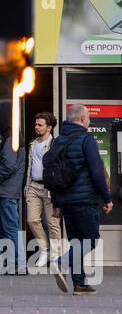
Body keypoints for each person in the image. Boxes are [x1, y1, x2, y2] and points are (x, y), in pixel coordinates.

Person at [48, 103, 113, 296]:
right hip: (84, 201)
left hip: (66, 202)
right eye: (89, 118)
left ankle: (79, 284)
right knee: (91, 240)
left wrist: (56, 203)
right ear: (83, 119)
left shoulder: (58, 141)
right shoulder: (86, 139)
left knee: (77, 242)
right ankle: (61, 262)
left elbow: (53, 175)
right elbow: (97, 171)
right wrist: (106, 197)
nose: (89, 121)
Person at [23, 112, 60, 269]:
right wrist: (27, 186)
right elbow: (30, 166)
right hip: (33, 186)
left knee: (52, 223)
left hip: (49, 188)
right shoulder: (33, 143)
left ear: (49, 128)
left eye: (40, 125)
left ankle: (55, 255)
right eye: (36, 124)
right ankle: (44, 249)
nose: (36, 127)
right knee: (32, 219)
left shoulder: (55, 145)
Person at [0, 100, 25, 273]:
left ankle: (16, 263)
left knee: (9, 227)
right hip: (10, 190)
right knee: (11, 227)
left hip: (7, 190)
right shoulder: (14, 135)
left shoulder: (11, 137)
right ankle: (14, 262)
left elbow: (8, 165)